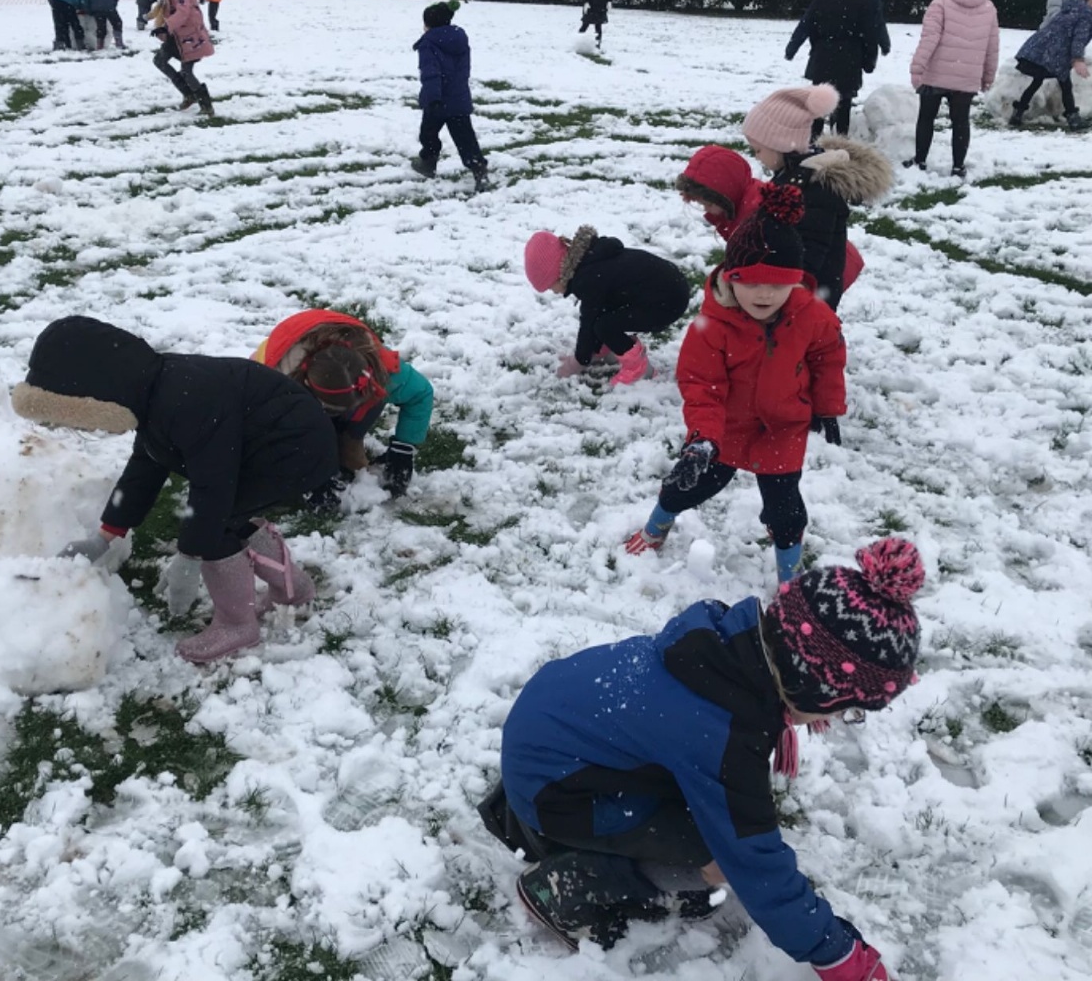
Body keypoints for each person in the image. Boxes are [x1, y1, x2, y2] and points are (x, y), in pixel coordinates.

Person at [484, 532, 924, 979]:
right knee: (717, 855)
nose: (840, 717)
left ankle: (586, 838)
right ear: (815, 687)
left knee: (715, 824)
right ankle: (565, 888)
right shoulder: (721, 729)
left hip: (553, 755)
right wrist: (837, 953)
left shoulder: (727, 652)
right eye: (847, 708)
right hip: (553, 792)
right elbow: (756, 866)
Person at [10, 316, 338, 664]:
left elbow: (213, 485)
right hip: (270, 445)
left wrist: (190, 555)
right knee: (227, 517)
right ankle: (294, 590)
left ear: (98, 396)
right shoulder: (153, 395)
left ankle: (237, 625)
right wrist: (106, 535)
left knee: (216, 525)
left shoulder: (186, 402)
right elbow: (145, 468)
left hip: (293, 448)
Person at [624, 186, 845, 579]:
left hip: (782, 428)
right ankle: (657, 525)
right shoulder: (712, 327)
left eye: (778, 285)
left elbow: (827, 355)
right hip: (726, 428)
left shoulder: (810, 315)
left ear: (795, 282)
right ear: (731, 277)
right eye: (752, 282)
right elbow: (701, 384)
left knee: (786, 510)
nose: (764, 294)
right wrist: (703, 438)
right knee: (689, 486)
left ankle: (790, 578)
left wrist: (828, 406)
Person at [253, 309, 434, 503]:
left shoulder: (382, 367)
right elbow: (263, 435)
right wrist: (308, 475)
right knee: (299, 430)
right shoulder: (272, 382)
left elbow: (420, 394)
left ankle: (347, 439)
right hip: (292, 379)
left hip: (344, 382)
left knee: (359, 413)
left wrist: (403, 450)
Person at [742, 83, 895, 311]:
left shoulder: (814, 189)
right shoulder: (793, 176)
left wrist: (789, 287)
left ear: (781, 145)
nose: (756, 156)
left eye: (759, 149)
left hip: (808, 295)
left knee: (803, 344)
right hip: (791, 290)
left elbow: (811, 250)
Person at [677, 145, 866, 296]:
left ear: (725, 195)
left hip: (822, 269)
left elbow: (776, 262)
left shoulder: (756, 212)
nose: (706, 210)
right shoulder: (741, 207)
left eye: (708, 203)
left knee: (807, 326)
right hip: (814, 266)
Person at [525, 225, 691, 387]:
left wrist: (579, 361)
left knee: (605, 326)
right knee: (604, 313)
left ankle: (638, 368)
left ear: (558, 274)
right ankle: (605, 348)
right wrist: (591, 349)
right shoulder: (591, 259)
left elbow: (588, 321)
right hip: (669, 288)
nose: (553, 292)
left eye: (550, 286)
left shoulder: (588, 279)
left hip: (667, 302)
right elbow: (599, 308)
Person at [904, 0, 999, 178]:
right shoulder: (988, 8)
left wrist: (917, 68)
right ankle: (958, 166)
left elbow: (929, 39)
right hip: (967, 75)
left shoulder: (940, 4)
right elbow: (991, 47)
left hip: (936, 73)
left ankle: (920, 160)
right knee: (961, 121)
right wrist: (988, 76)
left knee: (926, 117)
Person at [785, 0, 887, 138]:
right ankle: (840, 137)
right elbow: (870, 34)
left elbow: (808, 23)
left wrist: (795, 46)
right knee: (844, 101)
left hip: (823, 54)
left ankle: (814, 137)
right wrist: (869, 60)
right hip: (850, 56)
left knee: (818, 99)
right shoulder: (864, 0)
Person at [409, 0, 489, 192]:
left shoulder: (428, 44)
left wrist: (434, 97)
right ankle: (478, 167)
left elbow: (431, 72)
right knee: (465, 138)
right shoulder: (459, 39)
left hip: (437, 100)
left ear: (428, 24)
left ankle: (428, 162)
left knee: (428, 134)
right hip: (458, 97)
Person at [1009, 0, 1092, 130]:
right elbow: (1079, 39)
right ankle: (1073, 118)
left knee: (1037, 81)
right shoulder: (1086, 16)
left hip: (1042, 48)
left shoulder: (1071, 9)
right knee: (1065, 85)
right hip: (1057, 53)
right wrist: (1078, 58)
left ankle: (1018, 113)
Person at [151, 0, 215, 117]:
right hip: (177, 35)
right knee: (160, 60)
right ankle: (188, 94)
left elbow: (183, 12)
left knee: (187, 71)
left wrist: (166, 26)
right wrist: (161, 27)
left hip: (190, 37)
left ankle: (206, 105)